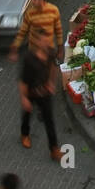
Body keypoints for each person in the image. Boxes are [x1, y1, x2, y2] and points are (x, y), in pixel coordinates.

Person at [17, 31, 62, 160]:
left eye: (48, 39)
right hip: (31, 91)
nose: (47, 42)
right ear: (37, 42)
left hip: (44, 92)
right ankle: (24, 134)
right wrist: (24, 98)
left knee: (49, 120)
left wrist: (51, 83)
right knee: (27, 114)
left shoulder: (50, 53)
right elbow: (23, 81)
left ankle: (54, 149)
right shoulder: (29, 59)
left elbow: (53, 67)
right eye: (44, 40)